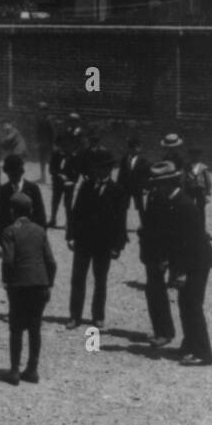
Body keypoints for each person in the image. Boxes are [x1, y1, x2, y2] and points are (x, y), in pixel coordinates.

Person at [65, 147, 126, 329]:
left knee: (100, 280)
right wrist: (71, 236)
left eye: (103, 168)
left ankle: (98, 316)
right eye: (97, 168)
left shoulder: (117, 191)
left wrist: (117, 245)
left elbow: (120, 221)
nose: (99, 171)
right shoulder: (87, 186)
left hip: (104, 244)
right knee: (78, 279)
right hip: (84, 241)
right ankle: (75, 316)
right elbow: (75, 213)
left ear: (109, 169)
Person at [0, 191, 56, 385]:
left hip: (19, 285)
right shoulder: (40, 230)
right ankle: (32, 369)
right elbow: (51, 261)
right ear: (31, 210)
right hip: (40, 284)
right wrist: (49, 284)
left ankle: (14, 370)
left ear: (13, 211)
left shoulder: (9, 231)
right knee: (35, 328)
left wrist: (7, 281)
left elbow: (8, 261)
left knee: (16, 328)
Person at [170, 175, 212, 367]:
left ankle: (203, 353)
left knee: (193, 306)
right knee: (185, 304)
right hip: (191, 261)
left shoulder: (184, 205)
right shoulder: (176, 201)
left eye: (158, 184)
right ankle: (189, 344)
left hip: (196, 263)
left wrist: (182, 271)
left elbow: (188, 242)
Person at [138, 162, 179, 347]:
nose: (153, 184)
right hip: (150, 251)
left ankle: (165, 332)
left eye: (157, 181)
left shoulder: (165, 199)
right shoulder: (156, 195)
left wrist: (165, 257)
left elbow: (166, 231)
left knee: (158, 292)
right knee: (152, 291)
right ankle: (159, 330)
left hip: (159, 253)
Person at [0, 154, 47, 251]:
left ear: (21, 172)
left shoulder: (33, 189)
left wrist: (40, 238)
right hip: (9, 239)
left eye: (16, 173)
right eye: (10, 174)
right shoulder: (3, 190)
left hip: (30, 238)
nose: (13, 177)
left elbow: (40, 215)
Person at [47, 113, 83, 229]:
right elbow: (52, 168)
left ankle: (69, 222)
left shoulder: (80, 135)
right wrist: (58, 175)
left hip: (70, 177)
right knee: (55, 199)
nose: (72, 123)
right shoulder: (63, 135)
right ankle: (53, 219)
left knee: (68, 202)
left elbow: (78, 165)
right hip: (58, 178)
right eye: (70, 121)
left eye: (75, 121)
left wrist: (73, 179)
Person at [118, 136, 152, 219]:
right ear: (129, 149)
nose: (135, 150)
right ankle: (122, 227)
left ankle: (144, 225)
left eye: (137, 147)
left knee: (140, 207)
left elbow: (147, 175)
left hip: (138, 187)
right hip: (125, 187)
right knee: (123, 207)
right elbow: (121, 173)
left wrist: (146, 187)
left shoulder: (144, 160)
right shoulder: (124, 159)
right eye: (132, 148)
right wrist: (118, 186)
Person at [184, 148, 211, 213]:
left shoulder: (203, 167)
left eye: (196, 155)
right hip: (190, 189)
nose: (194, 157)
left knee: (201, 208)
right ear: (190, 156)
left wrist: (207, 192)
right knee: (190, 207)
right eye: (192, 155)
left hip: (201, 190)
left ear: (199, 156)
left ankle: (201, 222)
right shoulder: (187, 166)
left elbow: (208, 181)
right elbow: (184, 179)